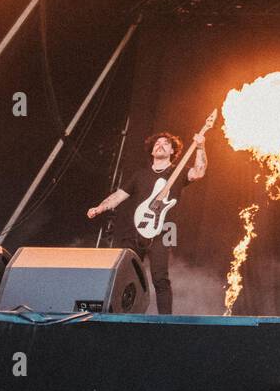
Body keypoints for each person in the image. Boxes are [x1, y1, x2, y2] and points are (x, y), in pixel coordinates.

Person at [87, 130, 207, 315]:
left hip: (163, 232)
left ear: (172, 151)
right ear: (151, 151)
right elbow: (118, 196)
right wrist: (99, 208)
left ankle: (165, 322)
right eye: (157, 143)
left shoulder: (179, 172)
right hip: (135, 231)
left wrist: (200, 146)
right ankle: (116, 316)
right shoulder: (139, 175)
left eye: (166, 143)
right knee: (123, 275)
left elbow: (199, 172)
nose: (160, 144)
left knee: (160, 278)